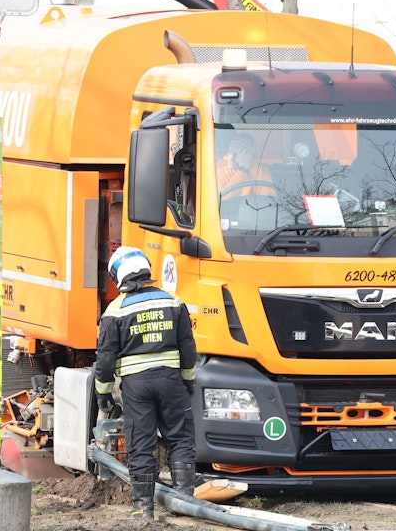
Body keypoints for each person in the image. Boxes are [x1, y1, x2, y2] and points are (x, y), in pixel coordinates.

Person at [94, 247, 199, 519]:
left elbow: (105, 360)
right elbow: (188, 348)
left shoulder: (115, 311)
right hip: (171, 381)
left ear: (118, 276)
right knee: (180, 439)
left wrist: (102, 394)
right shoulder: (173, 302)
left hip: (136, 387)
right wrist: (188, 381)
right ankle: (185, 502)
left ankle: (143, 509)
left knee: (141, 443)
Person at [217, 133, 275, 199]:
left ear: (249, 156)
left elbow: (269, 199)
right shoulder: (220, 168)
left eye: (237, 153)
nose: (231, 158)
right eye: (230, 152)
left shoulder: (259, 169)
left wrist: (248, 166)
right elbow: (221, 200)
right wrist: (242, 170)